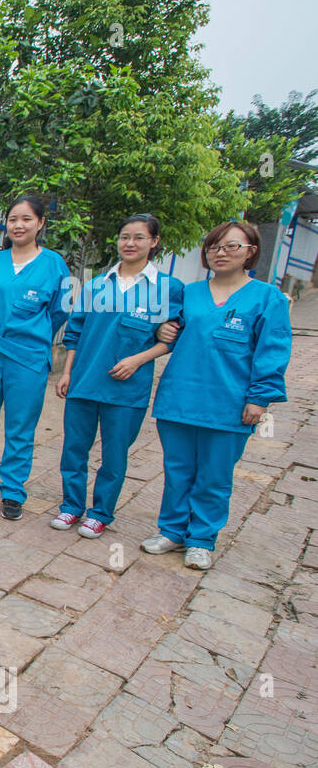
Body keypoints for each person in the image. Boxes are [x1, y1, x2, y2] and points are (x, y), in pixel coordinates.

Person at [143, 220, 291, 569]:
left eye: (231, 246)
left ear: (251, 252)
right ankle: (172, 531)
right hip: (180, 398)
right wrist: (161, 330)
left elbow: (272, 350)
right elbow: (167, 330)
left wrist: (260, 398)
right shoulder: (190, 293)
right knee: (177, 470)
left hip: (229, 404)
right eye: (213, 246)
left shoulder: (267, 298)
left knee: (214, 475)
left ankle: (201, 538)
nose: (220, 253)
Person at [53, 214, 184, 538]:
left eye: (139, 237)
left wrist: (138, 360)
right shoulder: (97, 285)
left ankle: (100, 513)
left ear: (154, 242)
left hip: (127, 389)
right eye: (125, 236)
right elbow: (75, 333)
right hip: (84, 381)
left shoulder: (167, 288)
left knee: (114, 454)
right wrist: (67, 373)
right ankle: (71, 506)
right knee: (74, 449)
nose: (130, 243)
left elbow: (171, 339)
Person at [0, 195, 72, 520]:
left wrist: (31, 335)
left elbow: (60, 311)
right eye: (13, 219)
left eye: (26, 219)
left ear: (40, 223)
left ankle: (13, 490)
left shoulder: (55, 265)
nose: (19, 225)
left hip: (28, 358)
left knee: (20, 426)